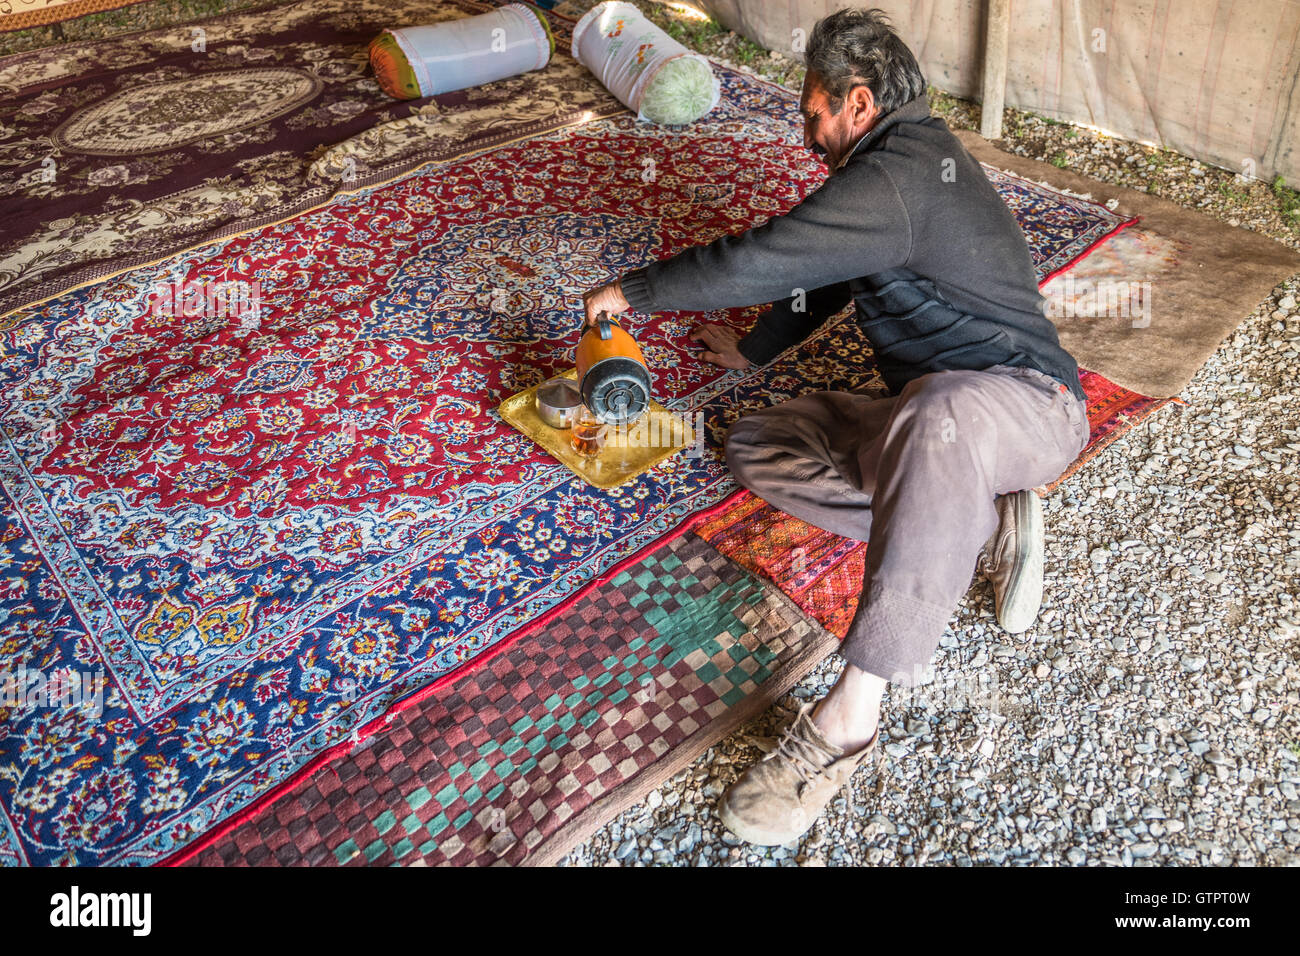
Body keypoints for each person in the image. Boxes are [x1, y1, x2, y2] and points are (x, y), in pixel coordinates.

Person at [580, 7, 1089, 847]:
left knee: (939, 416)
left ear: (857, 103)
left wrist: (631, 293)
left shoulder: (902, 178)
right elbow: (821, 274)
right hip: (938, 418)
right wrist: (753, 351)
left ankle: (847, 719)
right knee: (759, 443)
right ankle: (984, 525)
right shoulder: (892, 174)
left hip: (1025, 405)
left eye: (812, 111)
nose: (806, 130)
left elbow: (770, 254)